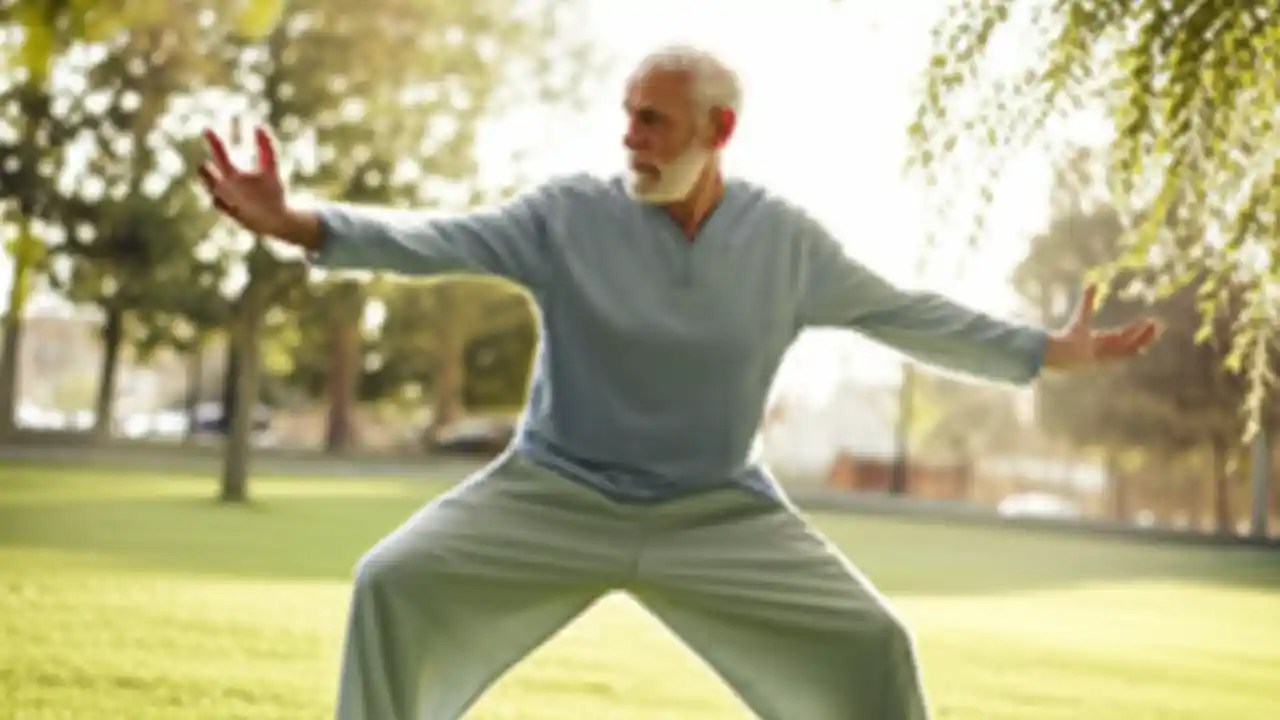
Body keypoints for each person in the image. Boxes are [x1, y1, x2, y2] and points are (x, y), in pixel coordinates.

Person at [198, 44, 1158, 720]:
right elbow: (432, 237)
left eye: (651, 120)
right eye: (626, 116)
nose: (631, 137)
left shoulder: (785, 243)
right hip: (551, 494)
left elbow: (908, 314)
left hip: (718, 514)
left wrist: (1046, 352)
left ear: (719, 128)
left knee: (873, 646)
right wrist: (296, 223)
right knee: (391, 583)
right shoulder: (567, 216)